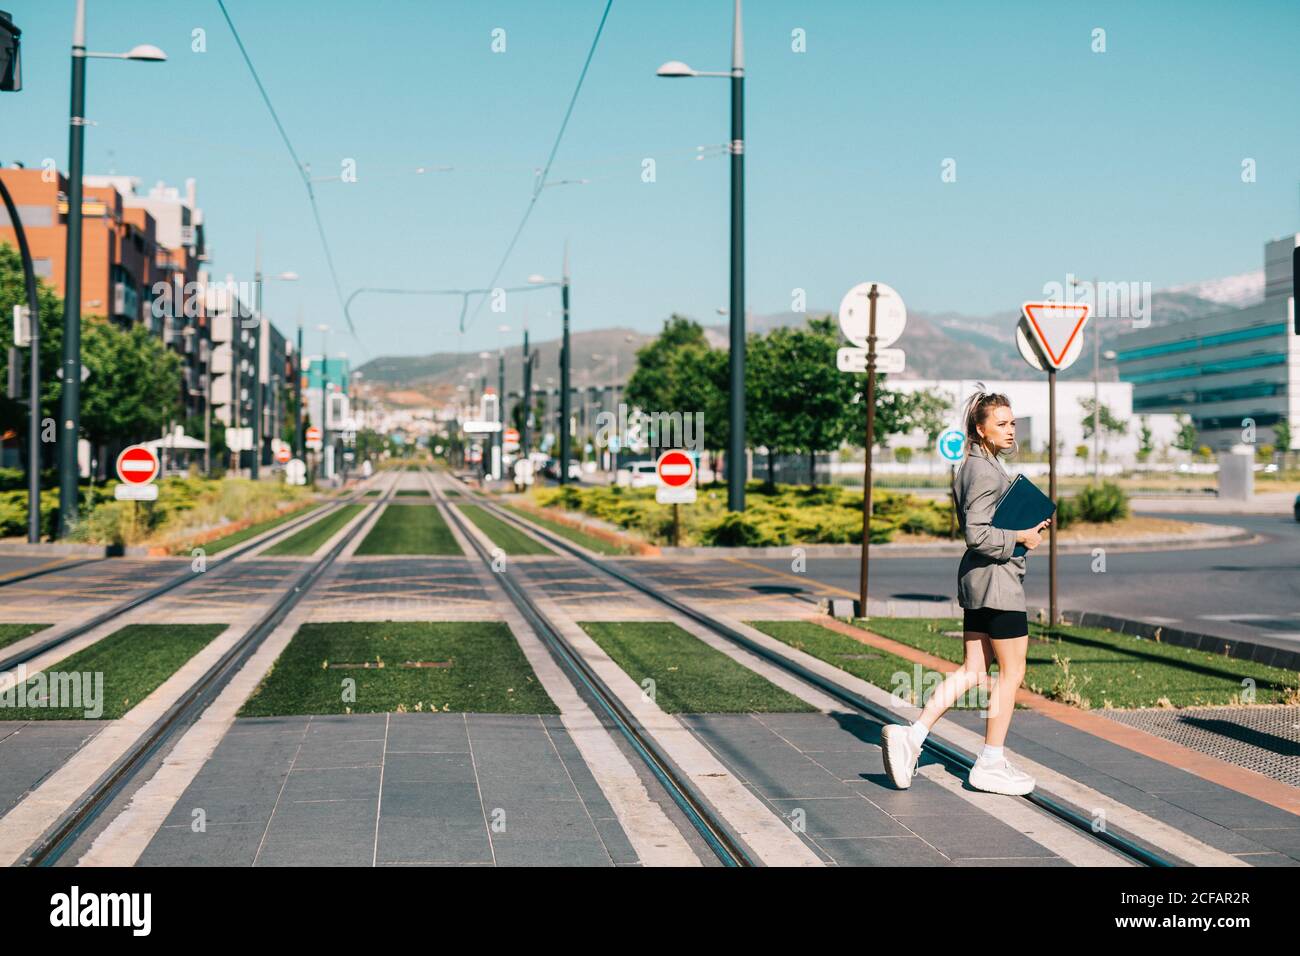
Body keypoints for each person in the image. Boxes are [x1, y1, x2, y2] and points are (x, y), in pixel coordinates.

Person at [880, 387, 1050, 795]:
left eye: (1013, 423)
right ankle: (990, 761)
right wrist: (1021, 536)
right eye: (1002, 424)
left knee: (974, 670)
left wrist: (1023, 534)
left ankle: (913, 736)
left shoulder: (977, 464)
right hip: (997, 584)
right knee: (1012, 673)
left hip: (980, 582)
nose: (1011, 431)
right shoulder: (985, 471)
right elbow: (977, 534)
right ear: (980, 428)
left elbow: (984, 527)